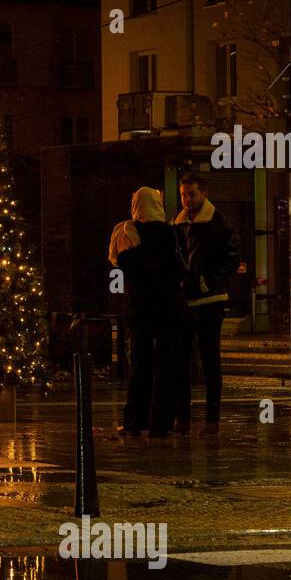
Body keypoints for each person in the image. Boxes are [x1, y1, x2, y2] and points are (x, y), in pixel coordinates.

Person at [108, 187, 187, 437]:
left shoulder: (126, 231)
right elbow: (180, 269)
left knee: (140, 364)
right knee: (166, 364)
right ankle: (161, 422)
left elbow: (119, 261)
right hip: (168, 307)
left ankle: (135, 420)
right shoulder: (171, 233)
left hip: (140, 307)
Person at [172, 173, 239, 436]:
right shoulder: (179, 225)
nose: (187, 200)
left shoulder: (219, 223)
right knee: (183, 359)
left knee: (210, 358)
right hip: (187, 299)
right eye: (183, 195)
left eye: (191, 194)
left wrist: (205, 282)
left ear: (204, 194)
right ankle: (184, 418)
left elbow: (231, 259)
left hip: (210, 299)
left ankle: (211, 419)